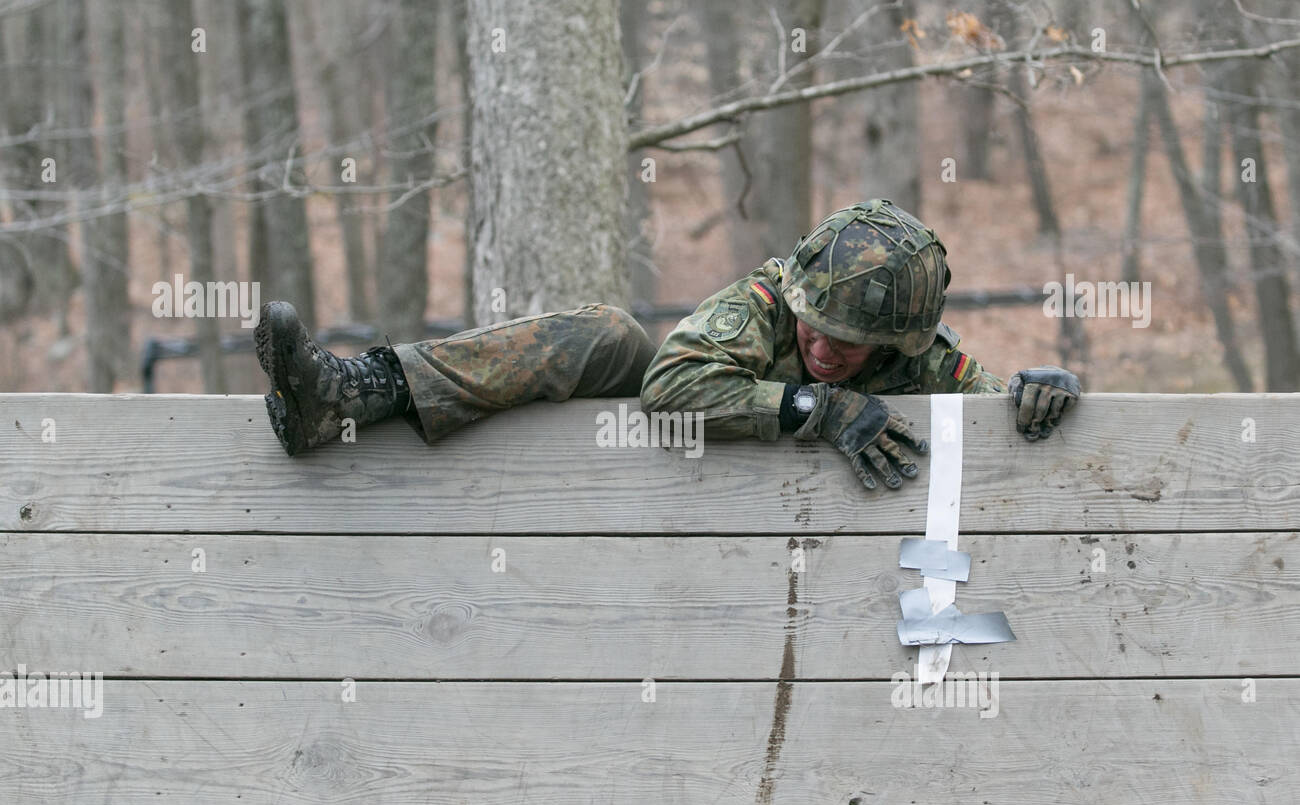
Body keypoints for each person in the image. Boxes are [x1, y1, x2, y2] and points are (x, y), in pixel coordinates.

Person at [255, 198, 1080, 491]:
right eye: (817, 329)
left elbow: (993, 399)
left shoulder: (914, 350)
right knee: (610, 333)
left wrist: (1042, 392)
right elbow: (671, 391)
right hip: (653, 462)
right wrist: (823, 406)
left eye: (852, 347)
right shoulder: (759, 302)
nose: (826, 349)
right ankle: (351, 394)